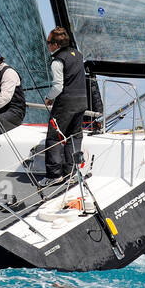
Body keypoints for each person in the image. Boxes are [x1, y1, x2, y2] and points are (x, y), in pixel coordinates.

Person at [43, 28, 88, 179]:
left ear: (55, 45)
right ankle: (71, 173)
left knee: (54, 137)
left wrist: (49, 97)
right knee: (74, 136)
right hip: (82, 101)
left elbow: (57, 86)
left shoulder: (57, 61)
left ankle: (54, 175)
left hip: (66, 103)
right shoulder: (78, 55)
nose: (47, 45)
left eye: (49, 42)